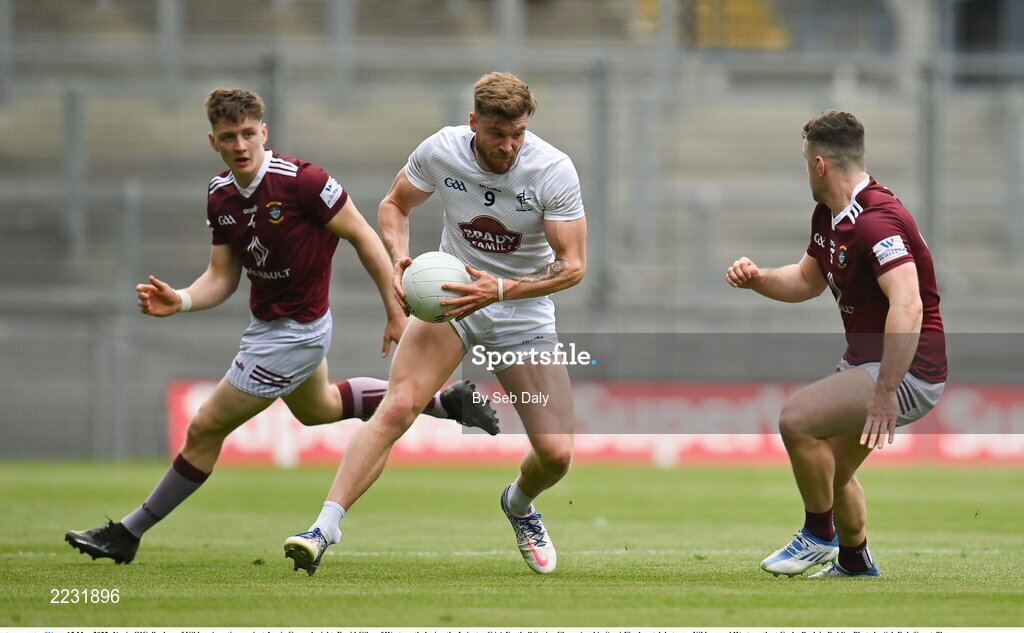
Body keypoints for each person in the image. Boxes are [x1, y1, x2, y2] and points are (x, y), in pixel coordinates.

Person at [65, 88, 497, 566]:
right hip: (268, 327)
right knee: (320, 408)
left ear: (263, 133)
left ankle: (128, 532)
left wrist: (395, 311)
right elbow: (222, 277)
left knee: (205, 427)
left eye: (249, 133)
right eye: (229, 137)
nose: (240, 144)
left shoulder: (303, 182)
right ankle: (446, 403)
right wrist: (183, 299)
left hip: (298, 334)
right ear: (215, 142)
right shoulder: (220, 194)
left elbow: (364, 237)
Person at [282, 72, 587, 576]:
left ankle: (518, 503)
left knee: (555, 456)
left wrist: (502, 288)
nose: (509, 146)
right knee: (398, 407)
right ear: (474, 123)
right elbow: (394, 204)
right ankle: (322, 528)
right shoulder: (441, 151)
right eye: (497, 135)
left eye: (518, 134)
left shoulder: (552, 170)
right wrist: (401, 258)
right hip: (448, 300)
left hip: (522, 313)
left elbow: (572, 266)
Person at [726, 110, 947, 578]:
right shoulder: (830, 214)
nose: (806, 170)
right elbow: (808, 279)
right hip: (869, 362)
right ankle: (854, 560)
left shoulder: (877, 221)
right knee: (831, 470)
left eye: (806, 161)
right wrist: (758, 278)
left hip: (906, 369)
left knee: (798, 420)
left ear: (820, 163)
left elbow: (909, 306)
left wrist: (886, 391)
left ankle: (818, 535)